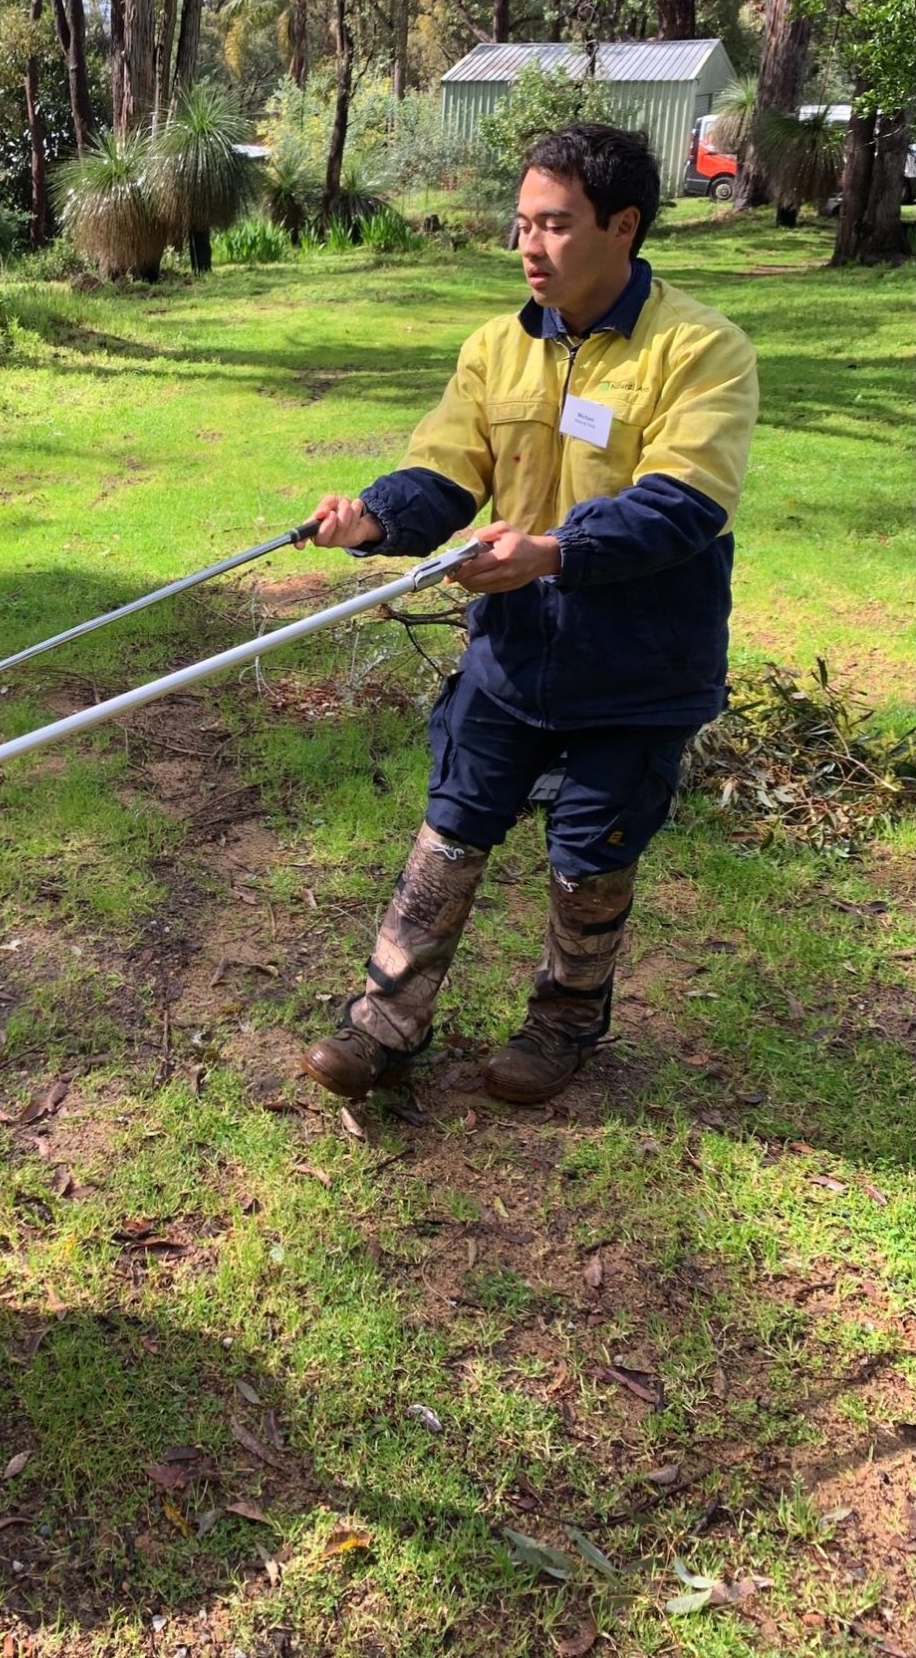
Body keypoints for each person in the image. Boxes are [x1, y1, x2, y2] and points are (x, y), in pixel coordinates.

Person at [299, 123, 759, 1105]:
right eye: (521, 223)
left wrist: (550, 553)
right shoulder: (496, 348)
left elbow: (682, 504)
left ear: (622, 225)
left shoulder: (700, 349)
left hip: (639, 667)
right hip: (510, 657)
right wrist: (371, 517)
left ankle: (563, 1025)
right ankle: (383, 1022)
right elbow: (443, 468)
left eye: (554, 224)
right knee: (448, 832)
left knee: (590, 858)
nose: (528, 245)